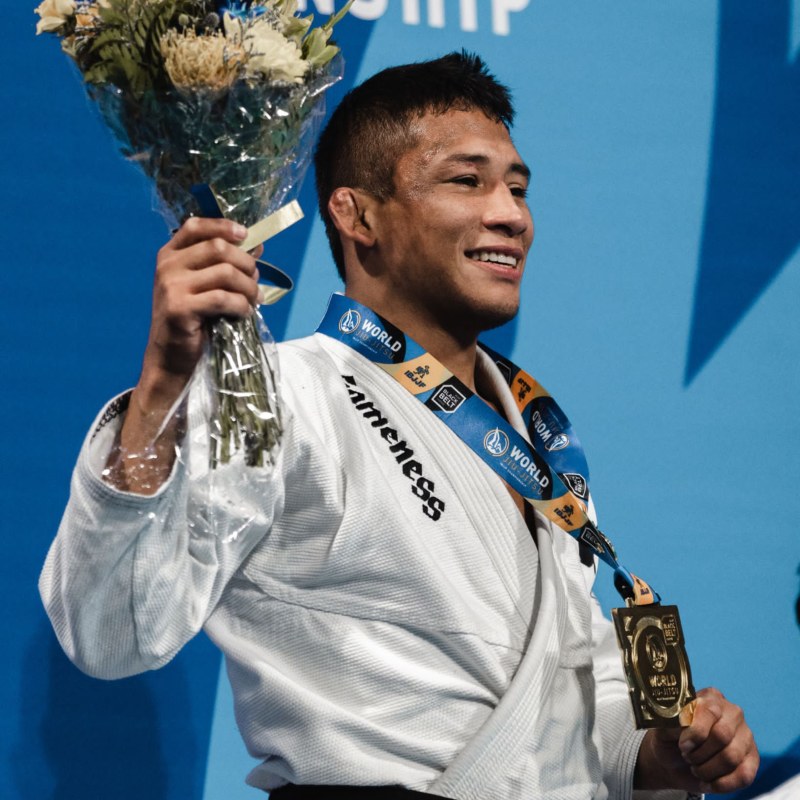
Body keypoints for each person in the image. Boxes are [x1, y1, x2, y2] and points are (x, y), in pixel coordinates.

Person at [40, 52, 759, 799]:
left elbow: (565, 698)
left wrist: (662, 750)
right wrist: (163, 386)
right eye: (466, 181)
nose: (512, 214)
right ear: (358, 216)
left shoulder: (534, 434)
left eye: (517, 187)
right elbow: (112, 629)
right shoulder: (281, 394)